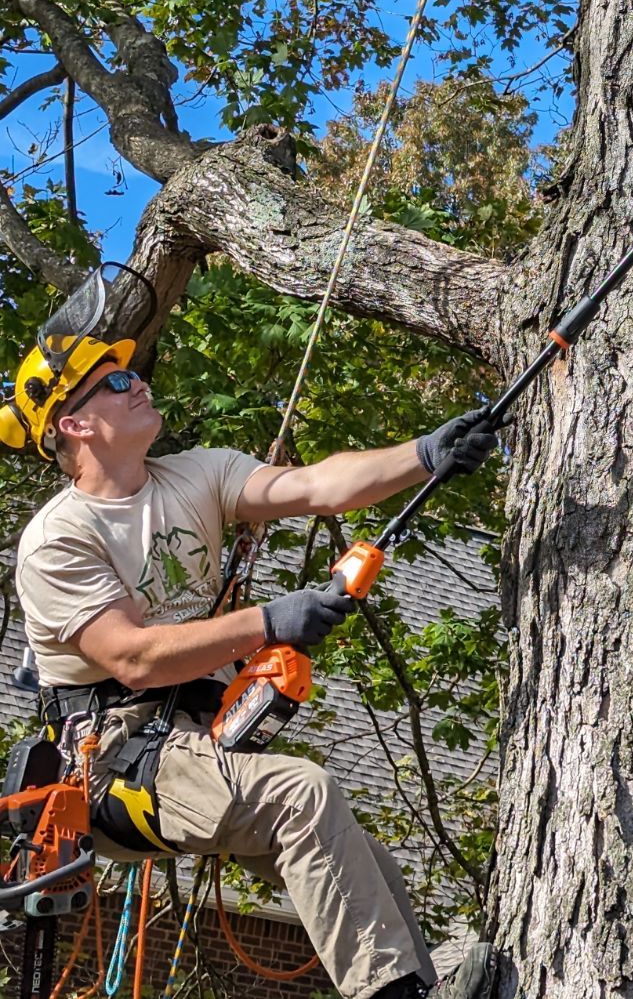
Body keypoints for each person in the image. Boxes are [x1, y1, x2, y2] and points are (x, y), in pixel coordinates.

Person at [6, 328, 498, 999]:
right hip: (115, 763)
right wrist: (270, 620)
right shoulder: (59, 536)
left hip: (194, 745)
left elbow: (320, 484)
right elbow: (133, 656)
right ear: (75, 422)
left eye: (134, 370)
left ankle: (424, 986)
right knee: (305, 794)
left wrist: (424, 453)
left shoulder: (196, 473)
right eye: (116, 381)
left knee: (364, 861)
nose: (138, 381)